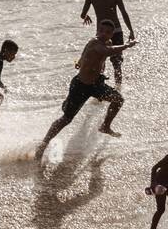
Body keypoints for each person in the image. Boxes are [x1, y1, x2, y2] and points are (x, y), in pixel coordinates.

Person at [35, 20, 128, 159]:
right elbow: (107, 51)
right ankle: (43, 144)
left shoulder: (107, 43)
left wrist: (85, 64)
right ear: (98, 31)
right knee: (66, 119)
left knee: (118, 99)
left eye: (108, 32)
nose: (104, 34)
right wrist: (127, 45)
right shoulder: (95, 42)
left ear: (111, 35)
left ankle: (105, 126)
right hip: (80, 86)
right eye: (102, 31)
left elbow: (97, 56)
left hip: (96, 85)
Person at [80, 0, 135, 85]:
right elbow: (123, 13)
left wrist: (86, 16)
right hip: (116, 30)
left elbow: (83, 14)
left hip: (101, 32)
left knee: (99, 62)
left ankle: (98, 90)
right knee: (117, 64)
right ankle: (118, 89)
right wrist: (131, 30)